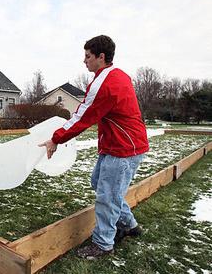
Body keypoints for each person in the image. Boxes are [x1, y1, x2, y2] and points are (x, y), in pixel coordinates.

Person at [39, 35, 149, 259]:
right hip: (122, 144)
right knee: (99, 183)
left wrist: (56, 139)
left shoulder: (105, 83)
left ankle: (103, 244)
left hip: (123, 148)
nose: (84, 61)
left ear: (101, 57)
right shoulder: (118, 76)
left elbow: (82, 117)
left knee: (107, 197)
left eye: (88, 56)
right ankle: (129, 225)